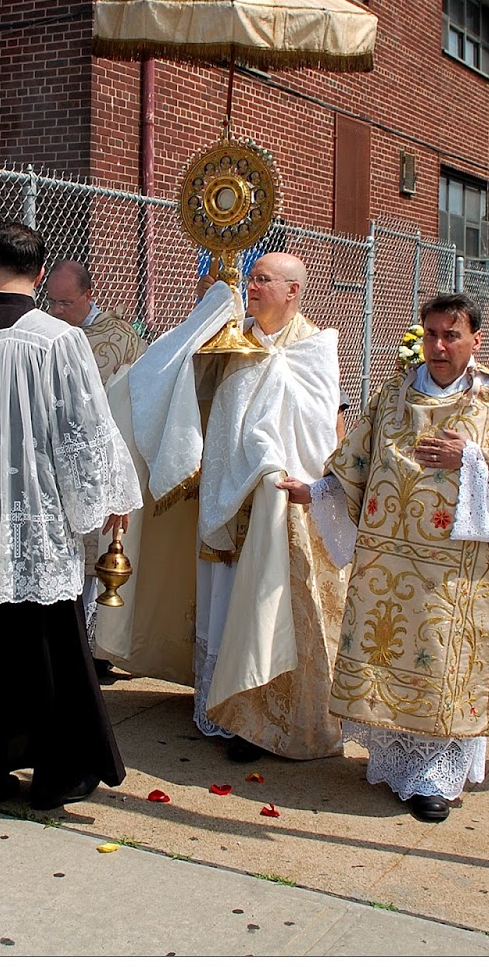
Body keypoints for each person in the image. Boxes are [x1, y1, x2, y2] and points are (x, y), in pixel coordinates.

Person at [277, 293, 489, 822]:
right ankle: (398, 765)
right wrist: (318, 491)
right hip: (385, 565)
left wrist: (471, 456)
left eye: (451, 335)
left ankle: (435, 778)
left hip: (455, 574)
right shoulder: (391, 395)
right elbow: (357, 459)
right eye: (432, 335)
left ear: (475, 341)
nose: (439, 346)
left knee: (442, 659)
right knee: (386, 652)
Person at [127, 252, 347, 762]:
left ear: (293, 291)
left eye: (263, 280)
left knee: (272, 610)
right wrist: (209, 309)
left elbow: (318, 425)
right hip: (227, 496)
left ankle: (264, 717)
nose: (252, 287)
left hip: (284, 505)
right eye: (251, 278)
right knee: (226, 605)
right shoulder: (231, 335)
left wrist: (290, 476)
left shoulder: (315, 347)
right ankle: (223, 708)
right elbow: (182, 384)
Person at [0, 225, 140, 812]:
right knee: (50, 649)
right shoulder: (57, 339)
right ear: (38, 278)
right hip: (35, 517)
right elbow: (80, 430)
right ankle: (59, 773)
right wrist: (105, 503)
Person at [45, 259, 149, 672]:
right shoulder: (48, 333)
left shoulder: (121, 338)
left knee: (98, 556)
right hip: (55, 459)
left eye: (66, 303)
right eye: (51, 301)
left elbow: (137, 396)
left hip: (101, 459)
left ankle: (98, 648)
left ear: (90, 295)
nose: (57, 311)